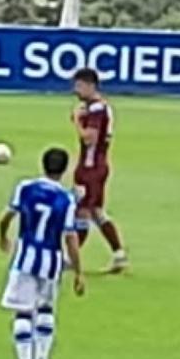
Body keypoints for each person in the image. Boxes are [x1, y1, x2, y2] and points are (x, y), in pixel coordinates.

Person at [0, 147, 85, 359]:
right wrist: (78, 270)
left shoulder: (25, 188)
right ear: (64, 170)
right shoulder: (66, 199)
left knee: (23, 311)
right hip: (51, 262)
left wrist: (2, 236)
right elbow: (70, 236)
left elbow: (7, 216)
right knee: (46, 309)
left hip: (25, 259)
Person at [71, 67, 129, 273]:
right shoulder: (100, 106)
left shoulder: (96, 109)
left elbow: (90, 138)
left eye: (79, 86)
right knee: (96, 212)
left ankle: (69, 258)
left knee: (81, 212)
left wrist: (76, 120)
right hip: (98, 166)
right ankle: (119, 255)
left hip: (90, 168)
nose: (75, 90)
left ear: (90, 85)